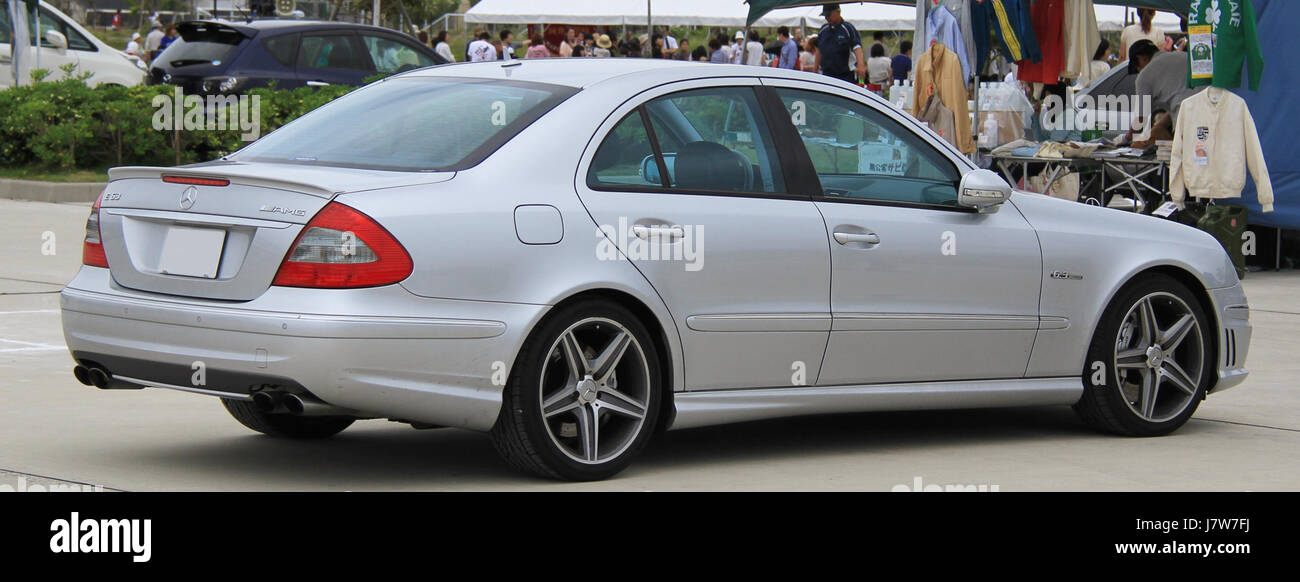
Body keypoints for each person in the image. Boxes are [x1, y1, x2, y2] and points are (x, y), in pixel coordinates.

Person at [1130, 39, 1204, 139]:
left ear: (1142, 58)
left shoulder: (1144, 76)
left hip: (1186, 124)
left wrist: (1126, 138)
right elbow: (1181, 97)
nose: (1139, 71)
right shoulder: (1183, 56)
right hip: (1210, 114)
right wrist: (1160, 126)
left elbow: (1140, 120)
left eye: (1136, 67)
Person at [814, 4, 865, 84]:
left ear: (838, 12)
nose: (827, 18)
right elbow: (819, 50)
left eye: (829, 15)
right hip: (827, 75)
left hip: (845, 75)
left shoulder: (848, 28)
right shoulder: (823, 30)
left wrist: (861, 65)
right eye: (825, 16)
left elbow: (857, 47)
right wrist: (815, 68)